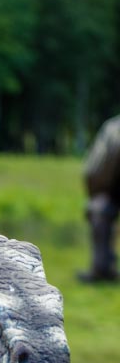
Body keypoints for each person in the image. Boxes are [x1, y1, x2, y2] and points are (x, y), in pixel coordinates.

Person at [80, 115, 120, 283]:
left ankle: (102, 267)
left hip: (110, 188)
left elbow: (94, 171)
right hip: (113, 189)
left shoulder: (114, 128)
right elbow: (97, 170)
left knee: (98, 208)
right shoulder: (114, 129)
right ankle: (102, 267)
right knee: (99, 209)